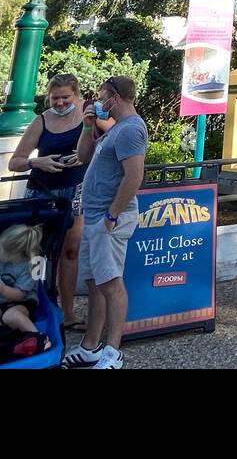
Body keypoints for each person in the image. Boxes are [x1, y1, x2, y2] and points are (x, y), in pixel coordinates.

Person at [61, 77, 147, 370]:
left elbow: (133, 176)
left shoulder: (132, 129)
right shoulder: (115, 129)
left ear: (116, 96)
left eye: (102, 96)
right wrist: (87, 125)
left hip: (109, 218)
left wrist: (112, 215)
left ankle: (113, 352)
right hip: (95, 215)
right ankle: (90, 346)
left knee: (111, 283)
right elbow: (83, 157)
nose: (99, 101)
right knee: (95, 282)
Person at [9, 73, 106, 325]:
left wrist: (85, 152)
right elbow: (15, 162)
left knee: (70, 251)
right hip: (42, 189)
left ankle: (68, 311)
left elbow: (111, 140)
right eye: (55, 99)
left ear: (77, 95)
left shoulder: (89, 113)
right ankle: (32, 304)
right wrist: (36, 161)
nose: (60, 103)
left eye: (65, 98)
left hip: (76, 189)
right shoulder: (41, 121)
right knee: (36, 250)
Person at [0, 223, 45, 342]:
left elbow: (20, 295)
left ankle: (39, 339)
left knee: (10, 316)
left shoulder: (31, 265)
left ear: (12, 252)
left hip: (22, 304)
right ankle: (2, 341)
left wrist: (2, 289)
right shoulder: (0, 262)